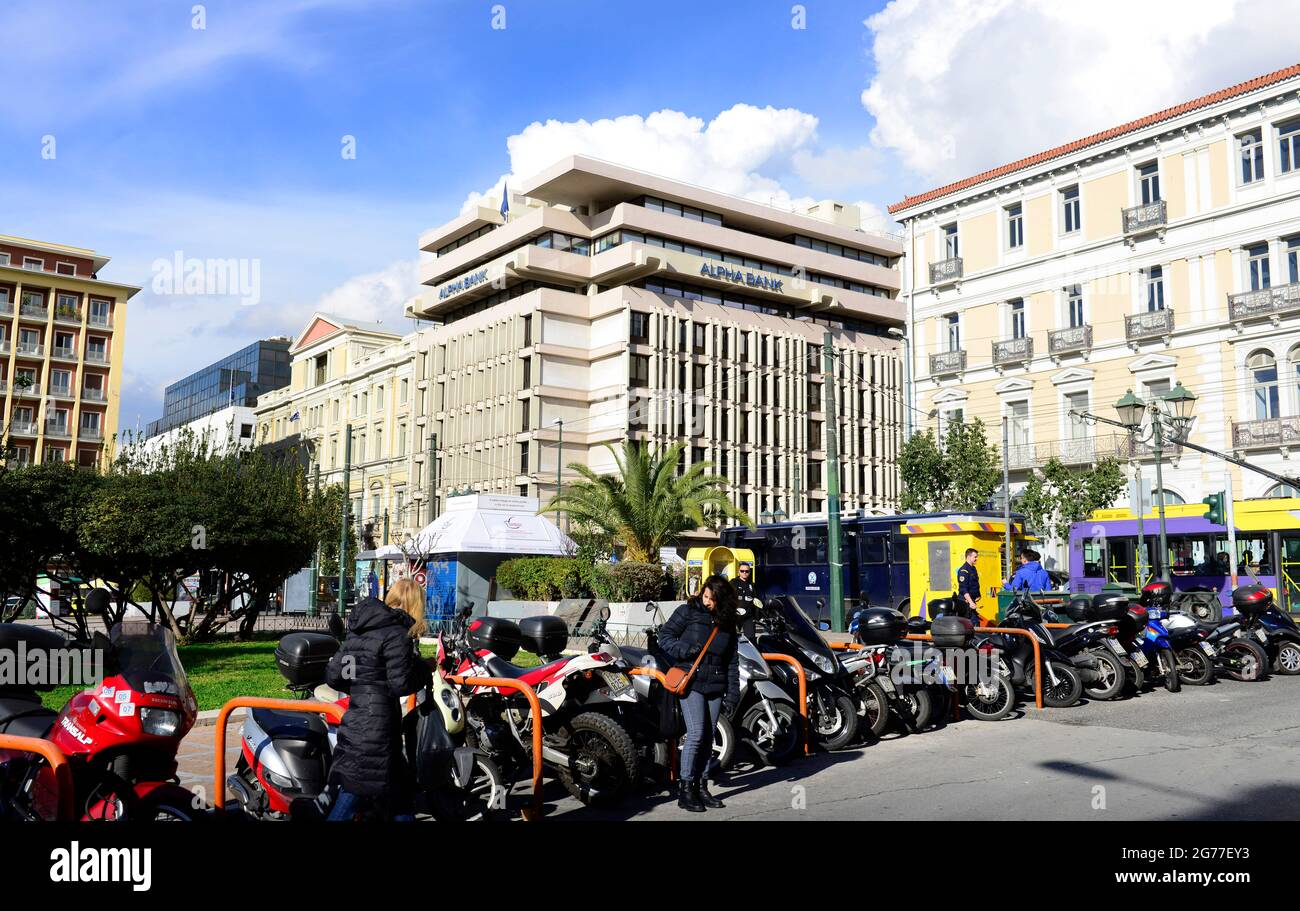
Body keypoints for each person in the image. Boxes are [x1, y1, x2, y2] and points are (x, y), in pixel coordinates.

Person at [324, 578, 431, 821]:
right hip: (377, 729)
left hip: (359, 719)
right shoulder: (397, 634)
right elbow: (400, 683)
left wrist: (363, 687)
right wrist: (425, 669)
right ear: (414, 605)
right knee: (353, 795)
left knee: (400, 797)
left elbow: (333, 676)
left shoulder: (360, 629)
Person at [657, 574, 740, 813]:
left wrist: (732, 695)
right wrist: (686, 650)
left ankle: (702, 786)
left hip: (716, 683)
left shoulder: (727, 622)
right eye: (705, 596)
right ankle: (685, 789)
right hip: (690, 680)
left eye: (712, 599)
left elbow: (732, 662)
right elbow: (665, 638)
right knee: (696, 733)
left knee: (709, 736)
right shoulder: (688, 611)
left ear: (722, 600)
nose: (707, 602)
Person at [956, 547, 982, 618]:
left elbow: (975, 584)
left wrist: (978, 595)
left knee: (974, 624)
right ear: (968, 557)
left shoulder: (973, 569)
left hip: (972, 601)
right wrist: (970, 602)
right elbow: (963, 589)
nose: (977, 559)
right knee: (973, 624)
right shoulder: (964, 571)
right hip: (965, 602)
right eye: (975, 557)